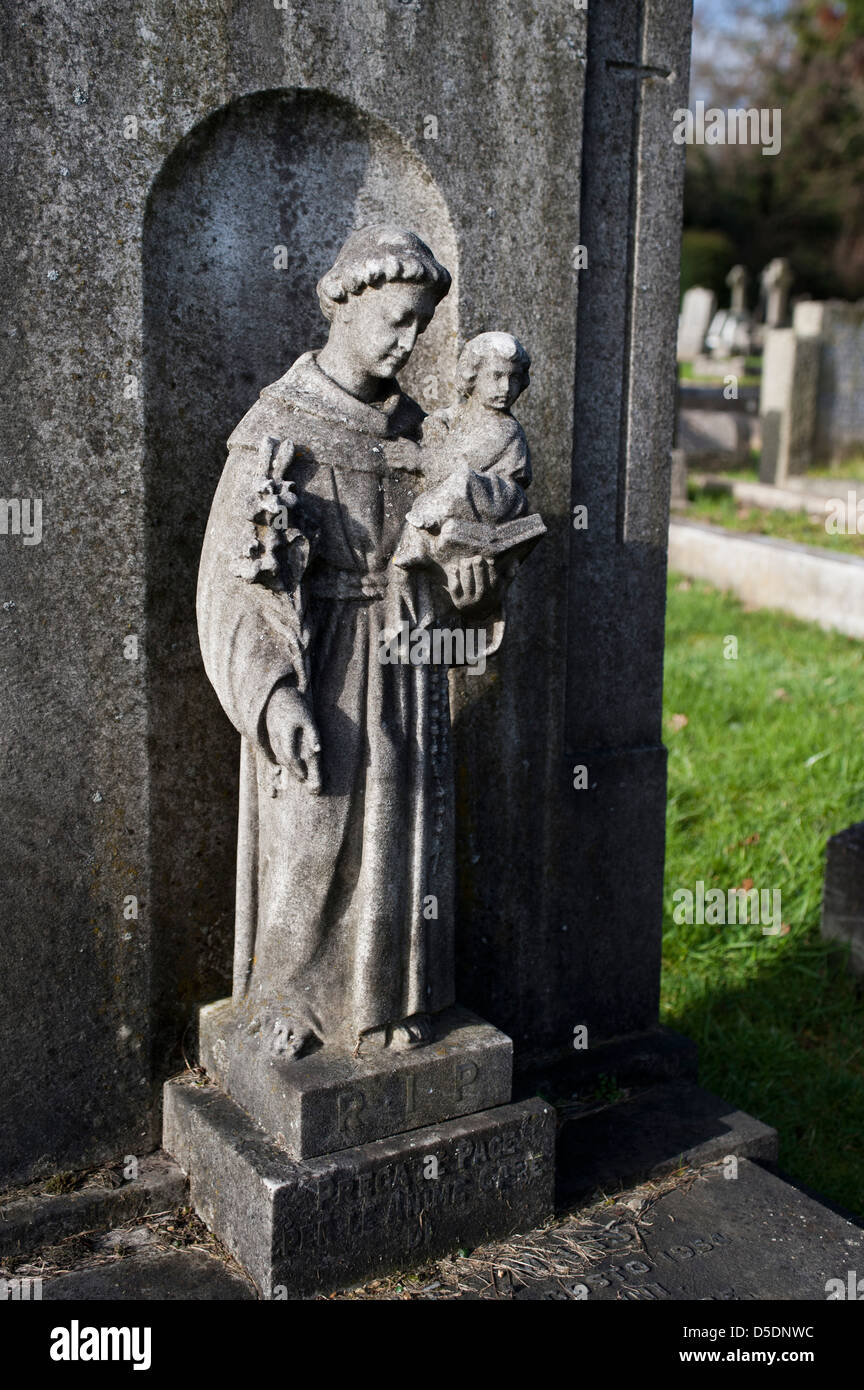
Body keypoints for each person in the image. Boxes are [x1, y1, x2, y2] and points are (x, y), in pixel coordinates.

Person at [197, 225, 508, 1060]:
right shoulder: (278, 426)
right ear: (348, 303)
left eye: (421, 328)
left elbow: (445, 546)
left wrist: (472, 580)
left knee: (405, 818)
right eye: (398, 321)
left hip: (406, 651)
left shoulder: (419, 429)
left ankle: (393, 997)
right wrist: (271, 694)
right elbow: (229, 585)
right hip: (323, 652)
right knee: (312, 824)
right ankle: (288, 994)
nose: (409, 345)